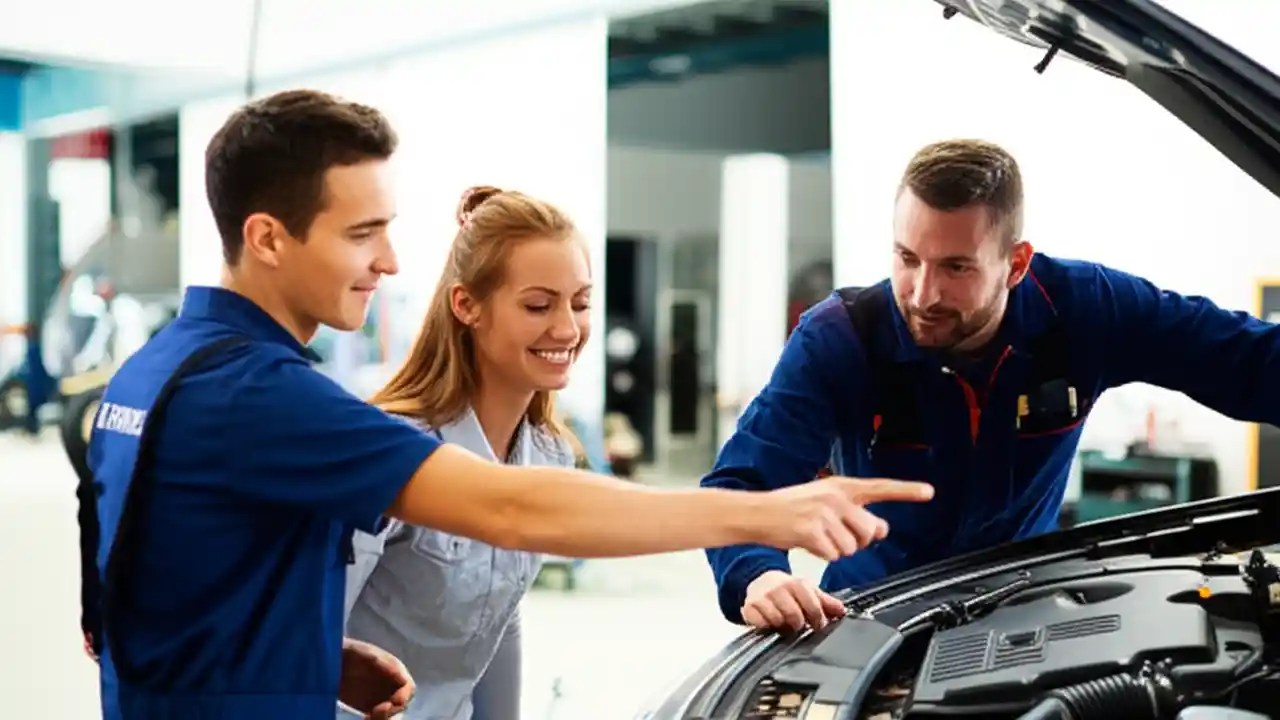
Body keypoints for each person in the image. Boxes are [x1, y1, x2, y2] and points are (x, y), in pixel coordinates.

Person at [81, 88, 935, 720]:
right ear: (268, 236)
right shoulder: (266, 396)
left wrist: (311, 659)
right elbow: (513, 509)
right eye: (361, 233)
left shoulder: (157, 372)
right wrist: (764, 516)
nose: (389, 262)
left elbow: (142, 596)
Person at [702, 137, 1280, 633]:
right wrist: (758, 572)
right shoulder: (840, 338)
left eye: (956, 267)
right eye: (907, 257)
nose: (923, 294)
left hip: (1027, 606)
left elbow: (1248, 360)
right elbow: (744, 480)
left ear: (1017, 263)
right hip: (874, 616)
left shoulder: (1086, 310)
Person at [340, 185, 594, 720]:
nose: (568, 328)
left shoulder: (549, 454)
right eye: (538, 305)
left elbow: (499, 616)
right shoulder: (391, 452)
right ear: (466, 305)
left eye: (580, 302)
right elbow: (310, 636)